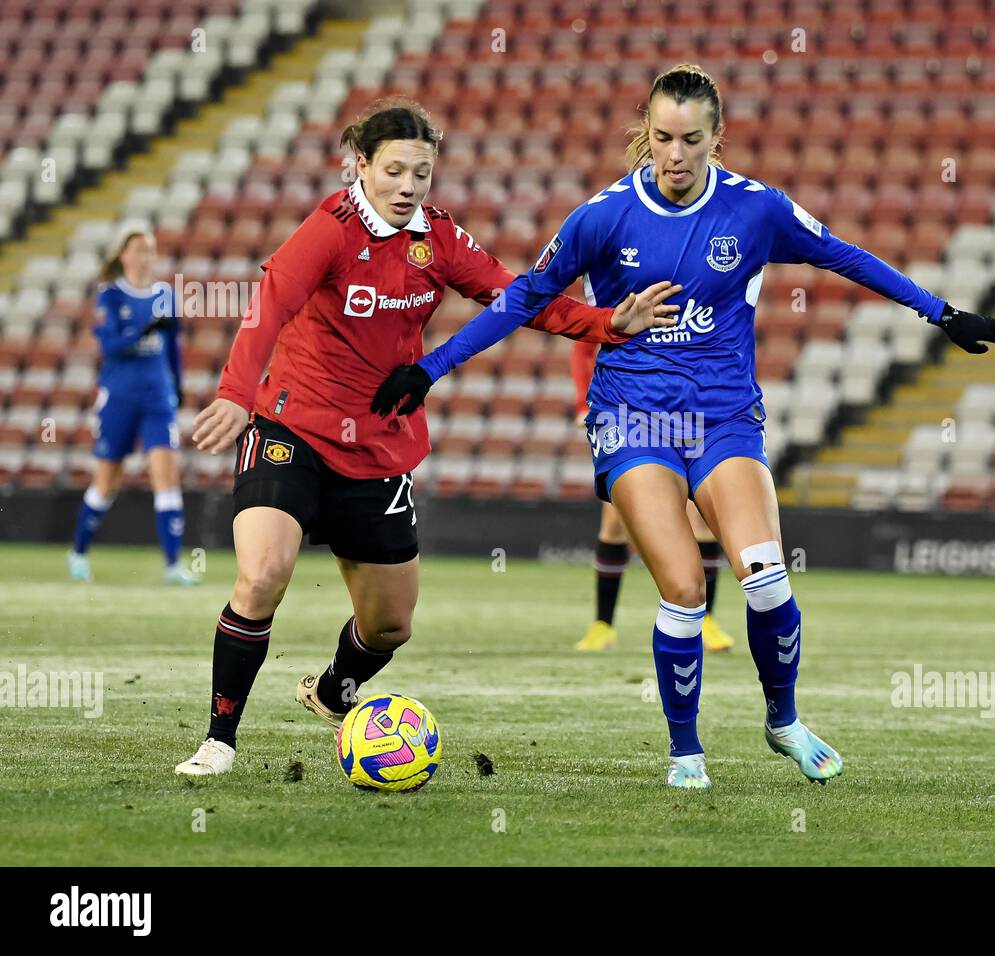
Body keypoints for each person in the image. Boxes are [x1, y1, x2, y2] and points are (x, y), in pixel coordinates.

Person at [369, 67, 995, 789]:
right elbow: (524, 297)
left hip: (722, 415)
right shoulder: (603, 216)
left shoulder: (756, 209)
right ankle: (686, 754)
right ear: (646, 131)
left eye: (691, 140)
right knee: (682, 589)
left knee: (767, 578)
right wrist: (432, 368)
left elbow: (848, 258)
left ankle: (784, 722)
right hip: (631, 415)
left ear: (718, 137)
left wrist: (943, 313)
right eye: (663, 138)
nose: (675, 155)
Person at [175, 97, 682, 776]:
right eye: (394, 170)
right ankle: (219, 740)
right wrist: (238, 394)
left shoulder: (437, 239)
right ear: (361, 165)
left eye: (421, 172)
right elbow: (271, 304)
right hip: (291, 429)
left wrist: (605, 323)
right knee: (263, 573)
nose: (408, 185)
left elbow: (514, 295)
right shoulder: (329, 228)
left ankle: (332, 692)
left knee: (390, 626)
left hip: (380, 449)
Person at [570, 339, 734, 652]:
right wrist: (583, 402)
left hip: (686, 408)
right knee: (616, 520)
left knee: (696, 515)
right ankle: (602, 625)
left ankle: (706, 621)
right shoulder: (621, 293)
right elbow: (583, 348)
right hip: (630, 407)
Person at [69, 228, 197, 586]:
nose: (145, 257)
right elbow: (109, 345)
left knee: (167, 476)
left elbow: (173, 347)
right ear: (124, 255)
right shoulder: (109, 296)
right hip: (119, 396)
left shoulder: (165, 295)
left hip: (157, 397)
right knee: (107, 480)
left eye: (150, 251)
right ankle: (78, 553)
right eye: (138, 250)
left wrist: (177, 384)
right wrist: (143, 331)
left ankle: (173, 566)